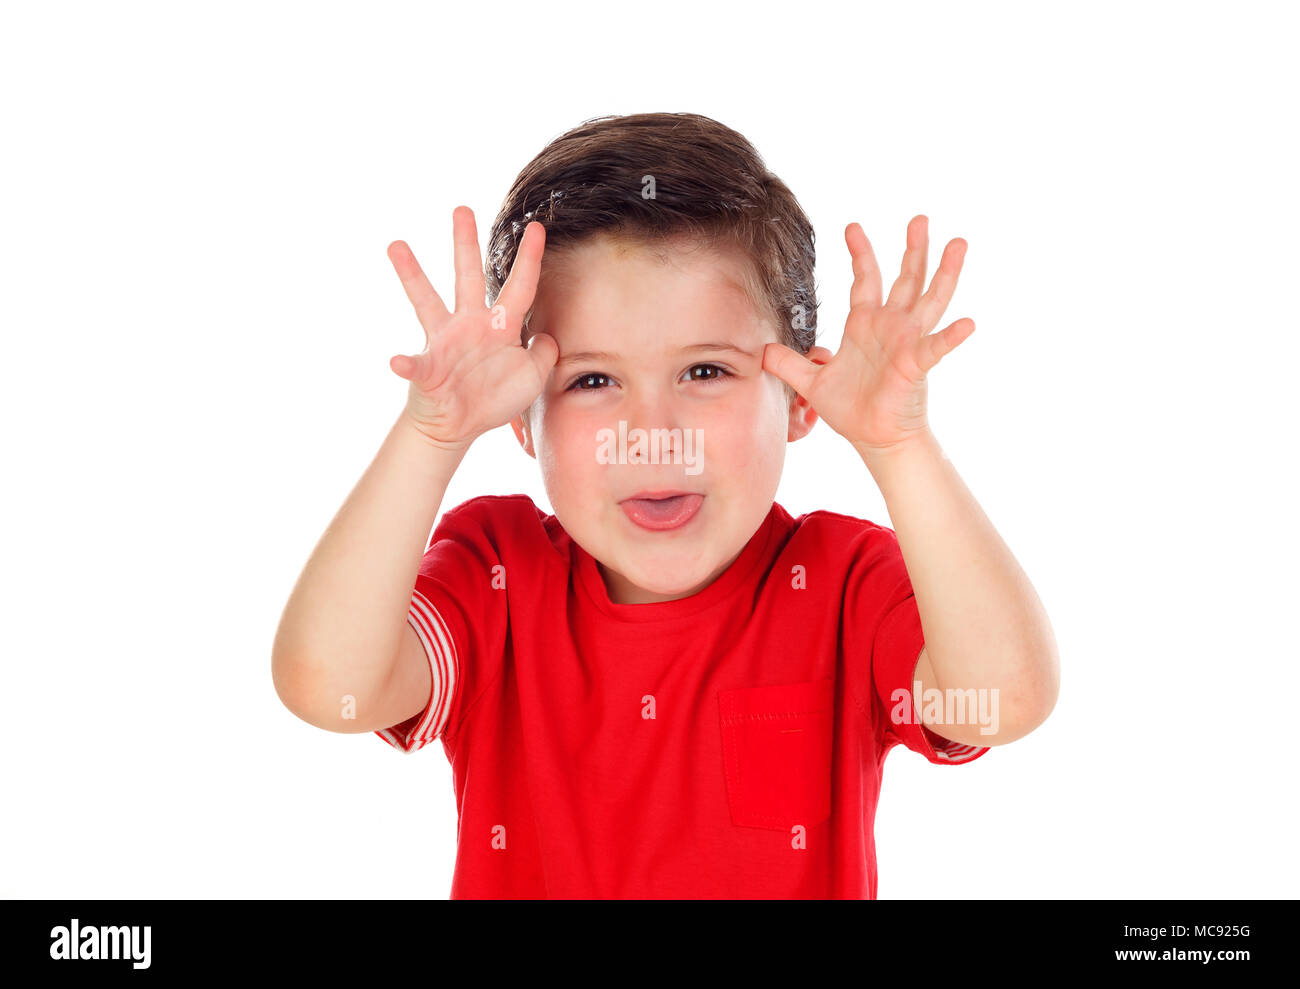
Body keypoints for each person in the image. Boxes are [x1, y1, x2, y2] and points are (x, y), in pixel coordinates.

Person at [271, 112, 1060, 899]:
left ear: (799, 395)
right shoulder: (496, 572)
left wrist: (901, 447)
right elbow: (327, 684)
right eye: (592, 380)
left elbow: (1003, 701)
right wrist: (430, 435)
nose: (652, 436)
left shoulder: (842, 582)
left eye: (705, 371)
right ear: (521, 415)